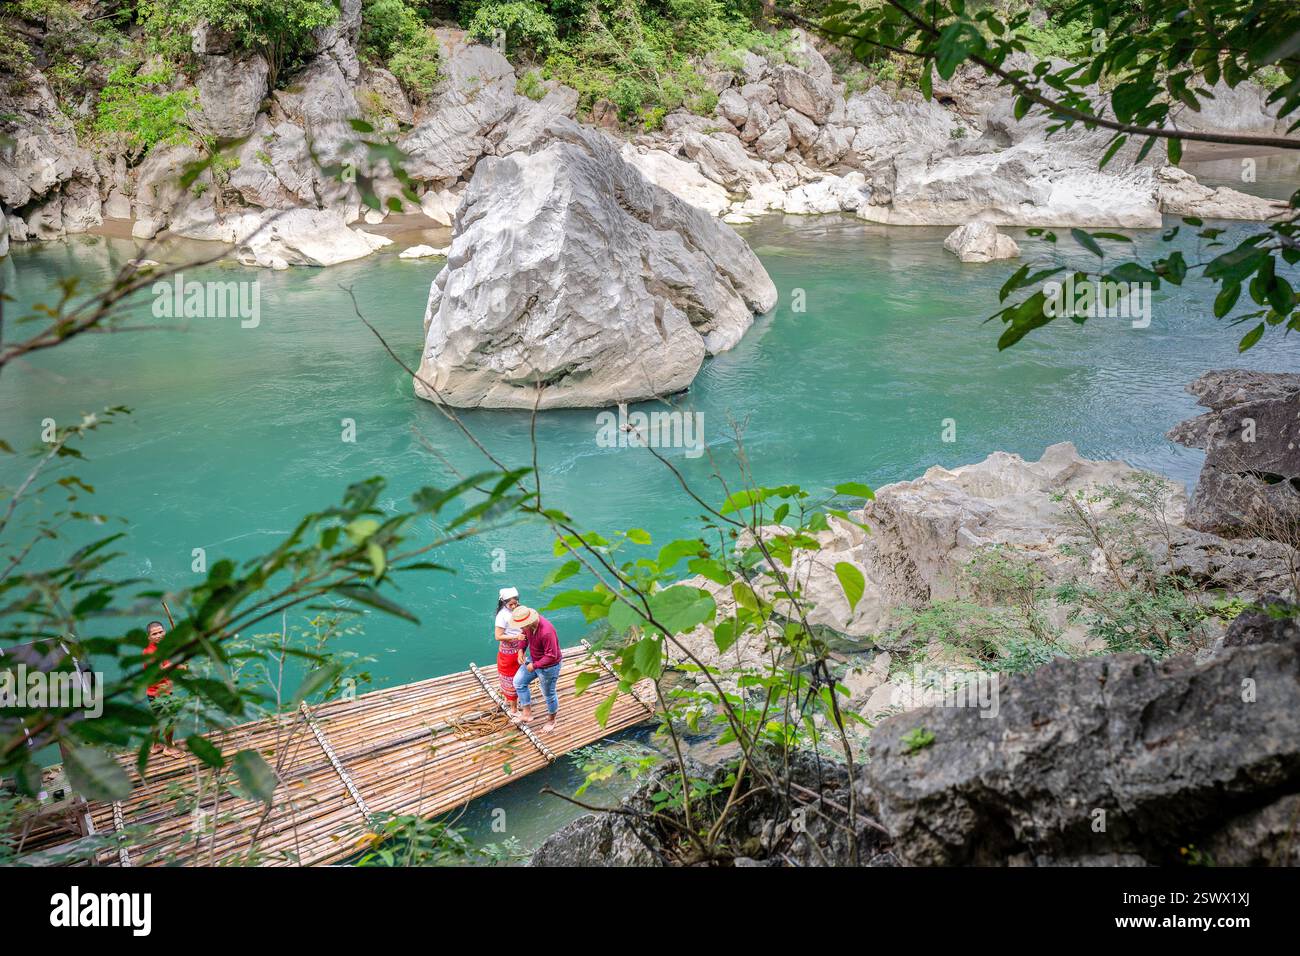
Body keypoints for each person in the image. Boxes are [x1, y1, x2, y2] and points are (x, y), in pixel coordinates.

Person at [509, 605, 562, 732]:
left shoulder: (546, 632)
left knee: (548, 694)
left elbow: (551, 655)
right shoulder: (528, 627)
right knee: (518, 682)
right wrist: (521, 650)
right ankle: (527, 714)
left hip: (550, 667)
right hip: (534, 658)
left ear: (529, 622)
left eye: (522, 625)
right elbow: (524, 636)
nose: (521, 628)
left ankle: (551, 720)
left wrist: (534, 665)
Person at [143, 620, 183, 758]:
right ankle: (169, 747)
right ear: (149, 637)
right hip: (158, 692)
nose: (159, 635)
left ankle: (154, 746)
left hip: (159, 691)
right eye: (155, 634)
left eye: (161, 632)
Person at [493, 587, 527, 716]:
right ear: (503, 602)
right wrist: (515, 637)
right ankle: (513, 709)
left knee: (518, 676)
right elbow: (498, 636)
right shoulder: (502, 615)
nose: (513, 606)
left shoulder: (519, 609)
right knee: (511, 678)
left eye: (515, 603)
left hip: (519, 648)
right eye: (510, 604)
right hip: (508, 653)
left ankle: (512, 700)